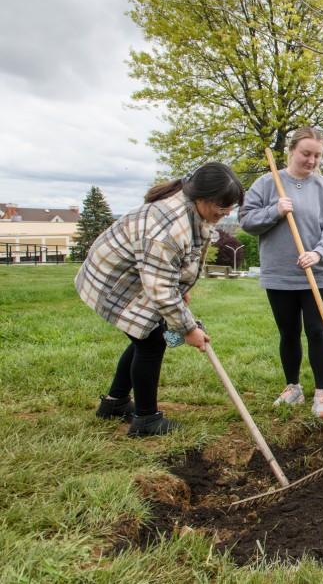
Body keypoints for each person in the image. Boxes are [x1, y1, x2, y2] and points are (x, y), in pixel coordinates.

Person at [76, 163, 244, 437]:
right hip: (113, 279)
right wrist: (188, 329)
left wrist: (182, 286)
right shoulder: (168, 226)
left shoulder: (191, 206)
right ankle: (146, 421)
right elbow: (160, 289)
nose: (225, 213)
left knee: (144, 334)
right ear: (203, 196)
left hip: (137, 273)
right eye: (222, 207)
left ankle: (115, 403)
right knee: (151, 342)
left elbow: (175, 265)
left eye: (230, 208)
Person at [239, 127, 323, 419]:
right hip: (279, 273)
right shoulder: (266, 183)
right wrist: (274, 210)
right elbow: (246, 221)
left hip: (318, 273)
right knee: (288, 332)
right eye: (306, 154)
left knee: (317, 331)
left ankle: (321, 394)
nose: (312, 160)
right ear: (291, 151)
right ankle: (293, 388)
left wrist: (318, 252)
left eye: (317, 155)